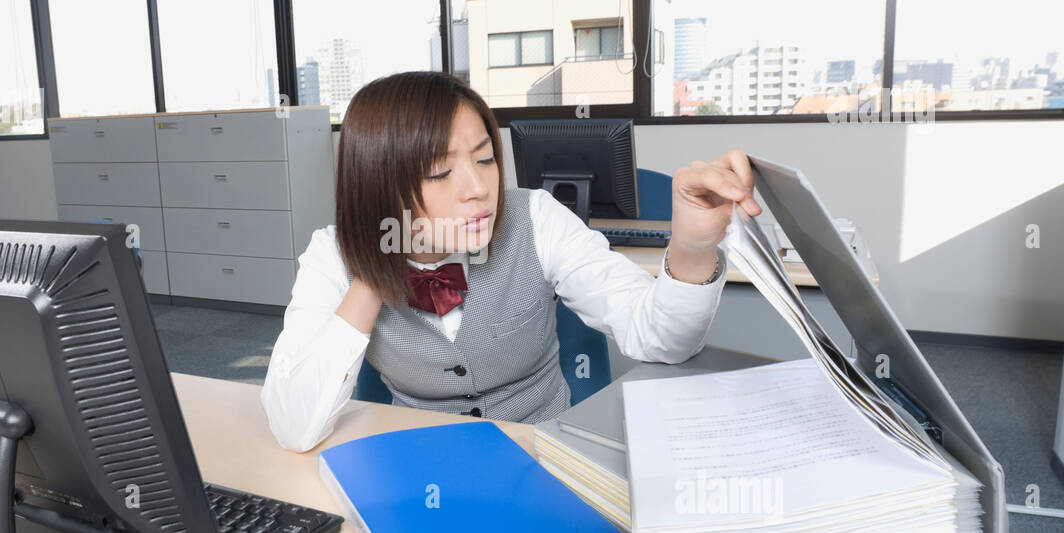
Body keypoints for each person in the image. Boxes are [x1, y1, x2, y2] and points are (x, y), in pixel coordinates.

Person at [260, 70, 762, 452]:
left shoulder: (536, 218)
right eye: (440, 172)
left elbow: (661, 339)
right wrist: (373, 268)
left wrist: (693, 249)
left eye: (484, 159)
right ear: (377, 185)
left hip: (545, 456)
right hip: (424, 461)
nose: (479, 188)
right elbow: (293, 427)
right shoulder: (332, 254)